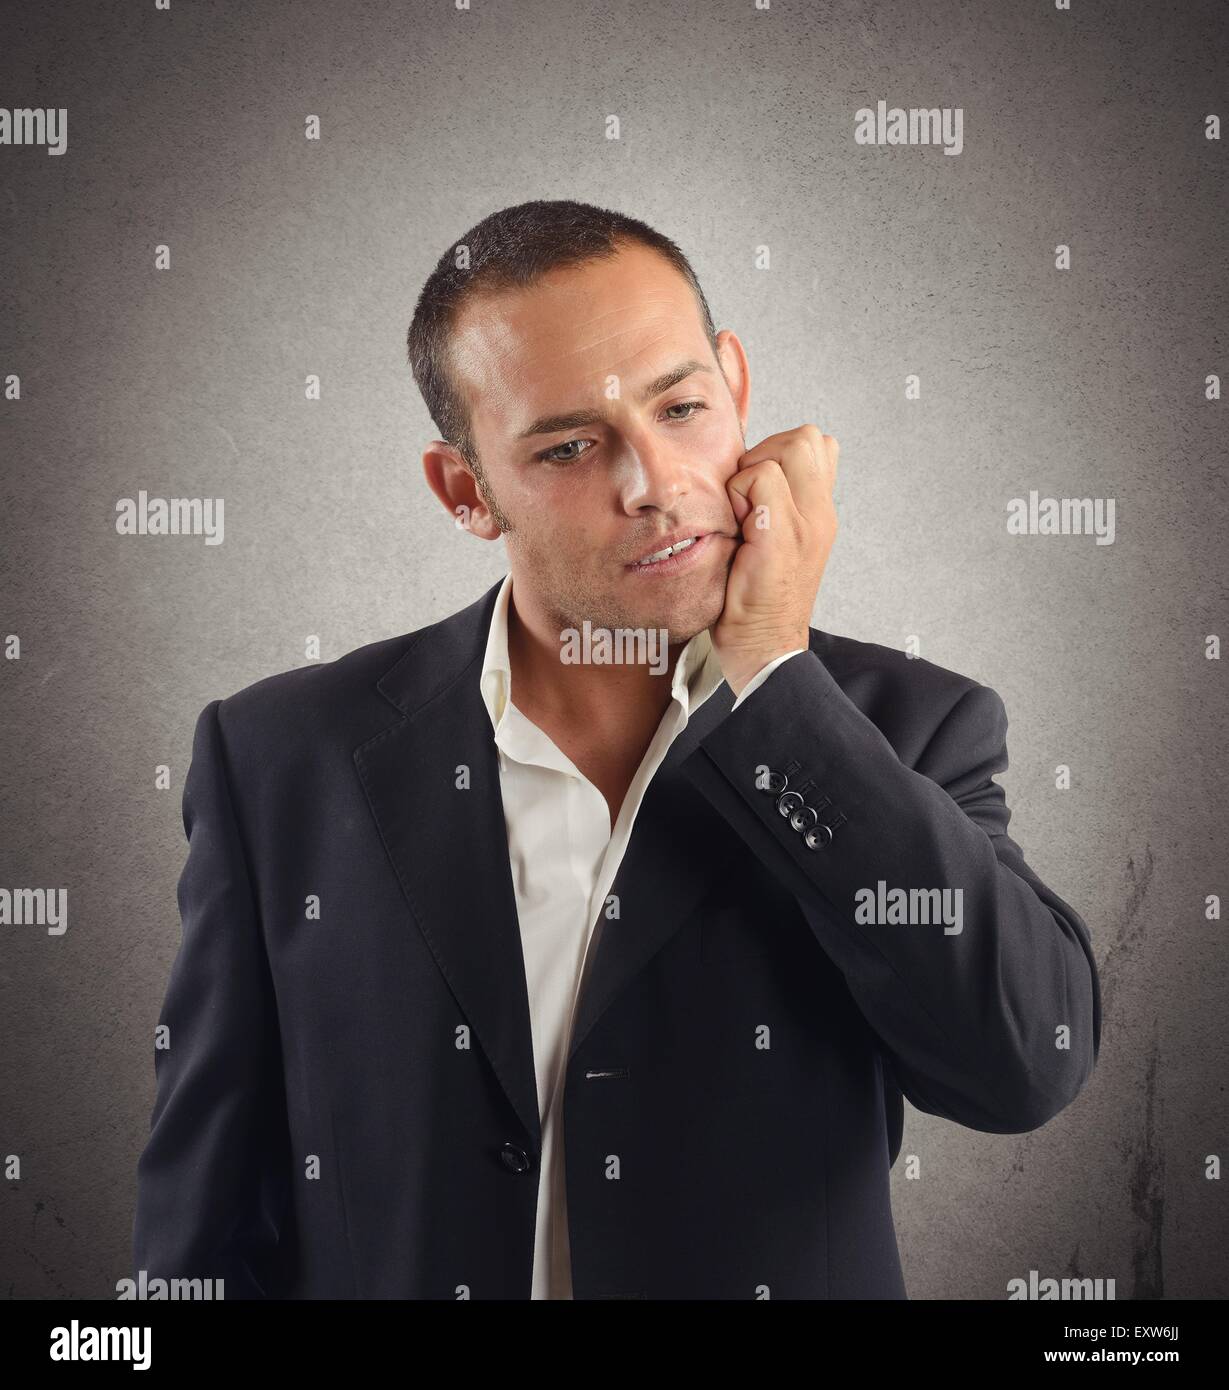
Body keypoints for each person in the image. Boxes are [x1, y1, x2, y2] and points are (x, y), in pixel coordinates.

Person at [132, 198, 1101, 1299]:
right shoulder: (278, 758)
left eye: (681, 407)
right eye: (570, 446)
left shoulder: (904, 726)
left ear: (736, 387)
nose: (653, 483)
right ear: (465, 491)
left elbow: (1025, 1064)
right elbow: (198, 1238)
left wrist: (773, 675)